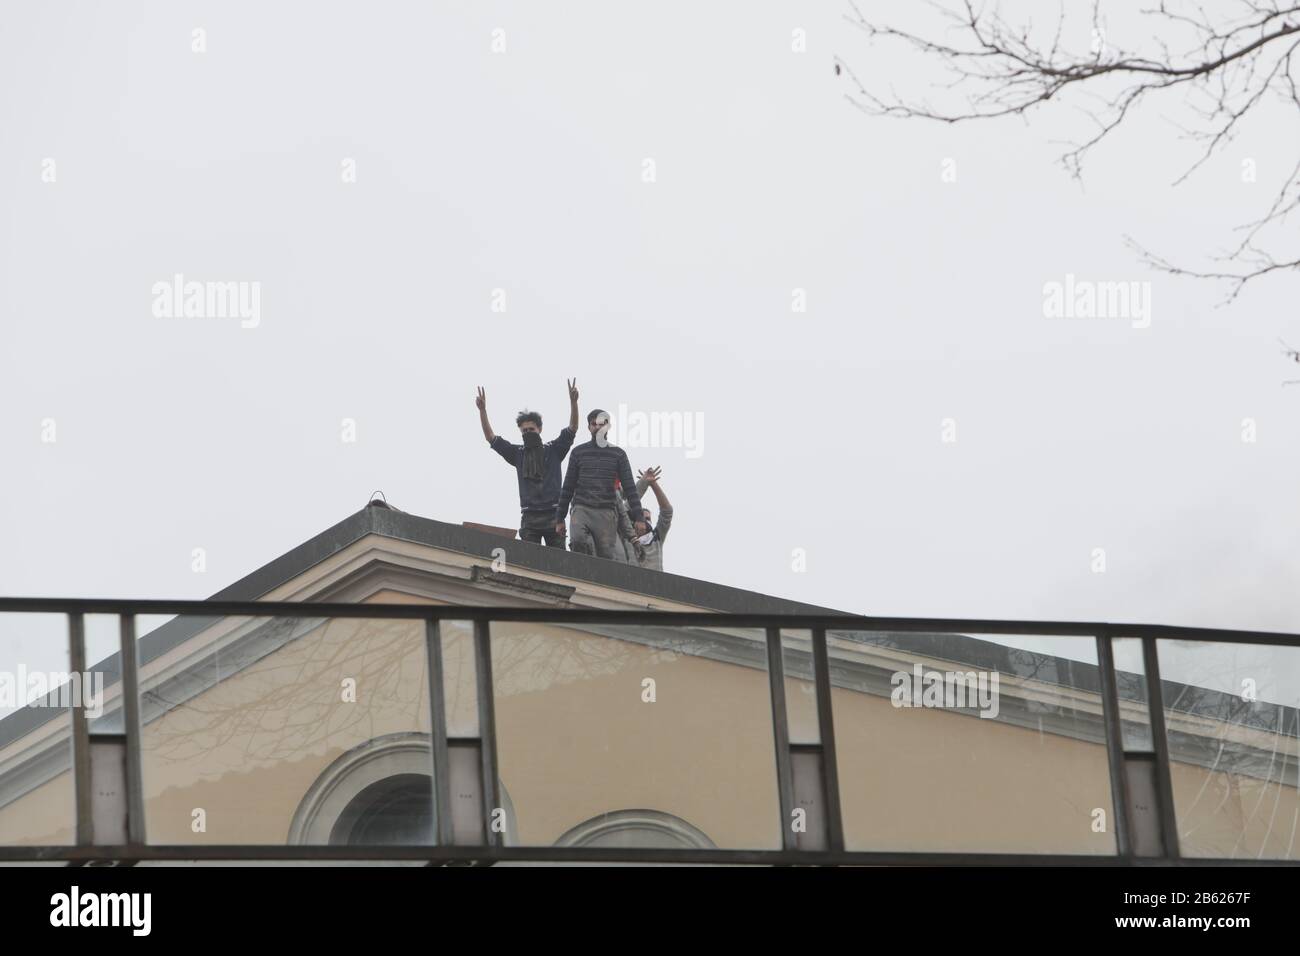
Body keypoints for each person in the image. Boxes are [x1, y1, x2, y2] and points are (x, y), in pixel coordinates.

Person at [477, 380, 578, 547]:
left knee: (559, 563)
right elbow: (491, 438)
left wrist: (573, 403)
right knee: (529, 562)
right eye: (524, 431)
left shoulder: (553, 450)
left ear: (540, 429)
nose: (528, 433)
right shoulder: (518, 454)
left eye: (531, 429)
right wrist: (483, 411)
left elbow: (572, 428)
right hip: (529, 516)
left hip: (554, 514)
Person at [555, 408, 645, 561]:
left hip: (606, 513)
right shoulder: (578, 452)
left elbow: (629, 488)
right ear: (589, 427)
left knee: (606, 558)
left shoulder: (618, 454)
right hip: (581, 508)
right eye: (593, 424)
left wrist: (639, 517)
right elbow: (568, 487)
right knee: (578, 542)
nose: (597, 427)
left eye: (602, 424)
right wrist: (559, 518)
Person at [615, 466, 673, 570]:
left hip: (654, 583)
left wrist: (653, 484)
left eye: (648, 518)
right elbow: (622, 509)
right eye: (642, 517)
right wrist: (643, 483)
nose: (645, 521)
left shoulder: (657, 538)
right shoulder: (625, 537)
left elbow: (667, 511)